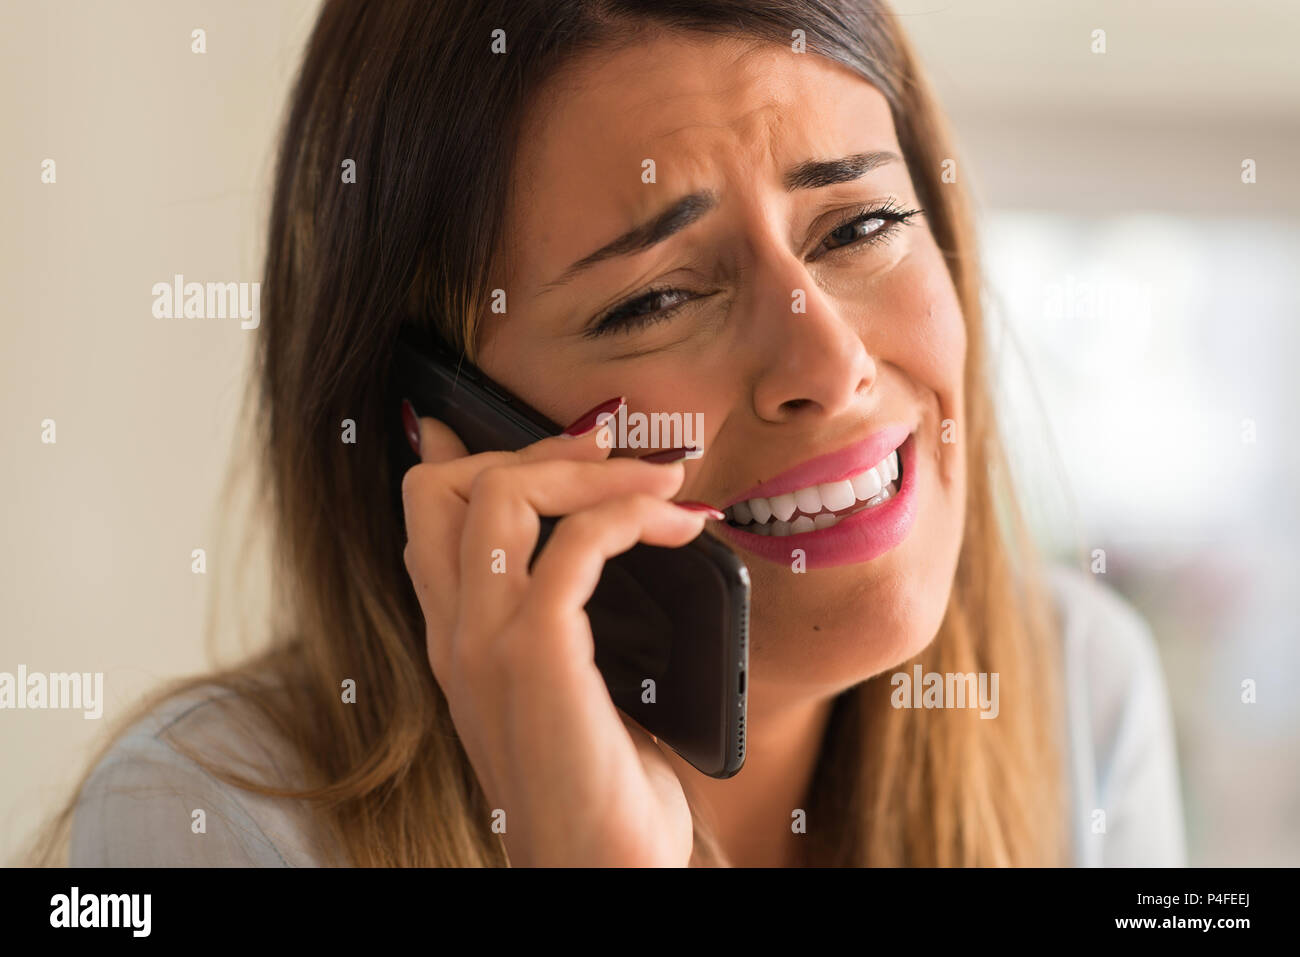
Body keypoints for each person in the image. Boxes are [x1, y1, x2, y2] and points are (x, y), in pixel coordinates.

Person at [28, 0, 1184, 868]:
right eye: (656, 300)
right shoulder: (203, 821)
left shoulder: (1077, 691)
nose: (828, 367)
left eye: (862, 223)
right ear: (443, 433)